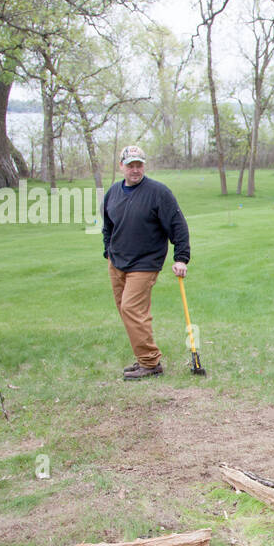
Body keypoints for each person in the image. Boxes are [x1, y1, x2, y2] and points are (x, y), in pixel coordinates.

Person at [101, 145, 190, 380]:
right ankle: (143, 357)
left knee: (131, 309)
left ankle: (150, 363)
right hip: (117, 262)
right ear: (121, 166)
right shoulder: (113, 193)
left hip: (145, 263)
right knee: (127, 311)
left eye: (139, 164)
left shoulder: (158, 192)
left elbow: (178, 225)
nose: (135, 169)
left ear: (144, 166)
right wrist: (107, 250)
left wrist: (181, 257)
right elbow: (107, 225)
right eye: (130, 165)